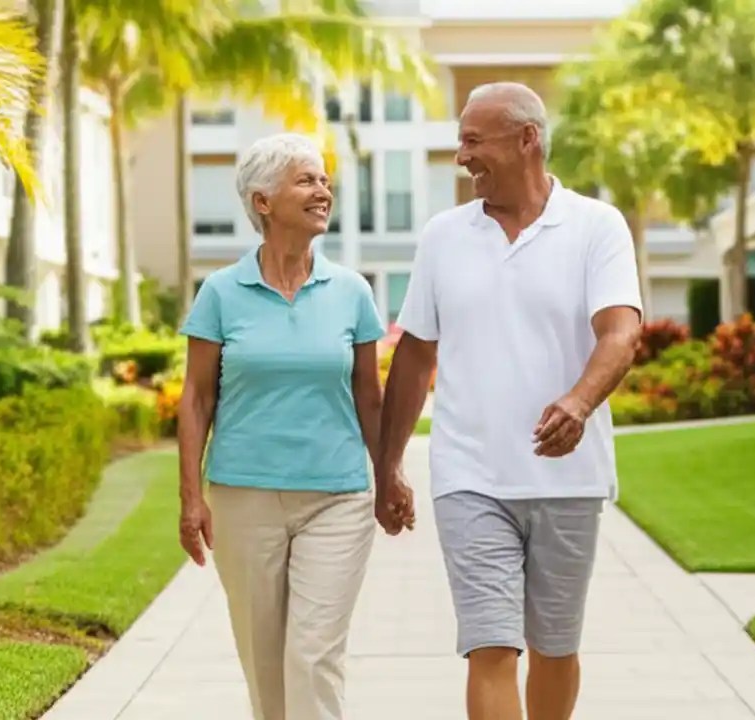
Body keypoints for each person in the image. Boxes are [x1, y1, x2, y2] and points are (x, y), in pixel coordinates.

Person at [374, 82, 644, 720]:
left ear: (527, 140)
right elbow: (416, 354)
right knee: (490, 645)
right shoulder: (444, 236)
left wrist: (579, 402)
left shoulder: (596, 227)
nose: (461, 155)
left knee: (553, 647)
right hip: (470, 477)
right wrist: (388, 465)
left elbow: (622, 331)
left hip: (568, 479)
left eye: (473, 140)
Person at [175, 132, 411, 720]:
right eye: (307, 180)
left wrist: (389, 475)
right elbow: (197, 399)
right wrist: (190, 499)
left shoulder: (351, 291)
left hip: (336, 498)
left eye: (324, 180)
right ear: (262, 200)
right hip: (243, 497)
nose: (323, 191)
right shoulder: (222, 293)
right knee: (265, 662)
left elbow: (369, 397)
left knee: (313, 654)